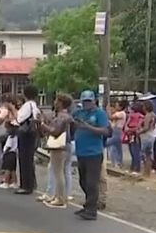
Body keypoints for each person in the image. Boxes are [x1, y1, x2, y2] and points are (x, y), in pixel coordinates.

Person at [73, 90, 110, 220]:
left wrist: (88, 127)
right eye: (84, 101)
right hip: (81, 152)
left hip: (94, 152)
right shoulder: (79, 113)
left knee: (91, 182)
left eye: (89, 101)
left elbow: (105, 131)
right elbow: (70, 120)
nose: (87, 104)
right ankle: (88, 204)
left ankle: (91, 209)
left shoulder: (99, 114)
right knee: (82, 181)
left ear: (94, 101)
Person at [41, 93, 74, 209]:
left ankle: (60, 198)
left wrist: (42, 125)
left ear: (61, 103)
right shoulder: (67, 116)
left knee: (58, 173)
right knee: (63, 171)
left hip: (59, 146)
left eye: (56, 100)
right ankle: (59, 195)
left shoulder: (62, 116)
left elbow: (55, 131)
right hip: (67, 144)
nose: (55, 102)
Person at [12, 85, 41, 194]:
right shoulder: (35, 105)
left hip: (25, 134)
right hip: (32, 133)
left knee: (24, 159)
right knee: (29, 159)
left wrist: (13, 112)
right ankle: (31, 183)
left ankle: (25, 186)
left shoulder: (27, 105)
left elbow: (19, 119)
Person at [123, 103, 145, 175]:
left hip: (133, 135)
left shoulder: (134, 116)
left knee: (134, 151)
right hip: (133, 134)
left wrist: (128, 129)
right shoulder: (140, 116)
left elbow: (127, 126)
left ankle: (135, 167)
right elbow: (138, 126)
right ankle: (135, 167)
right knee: (135, 151)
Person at [107, 100, 126, 169]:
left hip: (117, 131)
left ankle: (117, 163)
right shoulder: (119, 113)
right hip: (115, 130)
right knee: (116, 148)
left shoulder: (121, 113)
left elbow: (110, 117)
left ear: (121, 107)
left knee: (111, 145)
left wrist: (108, 110)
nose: (116, 107)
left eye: (117, 106)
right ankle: (117, 163)